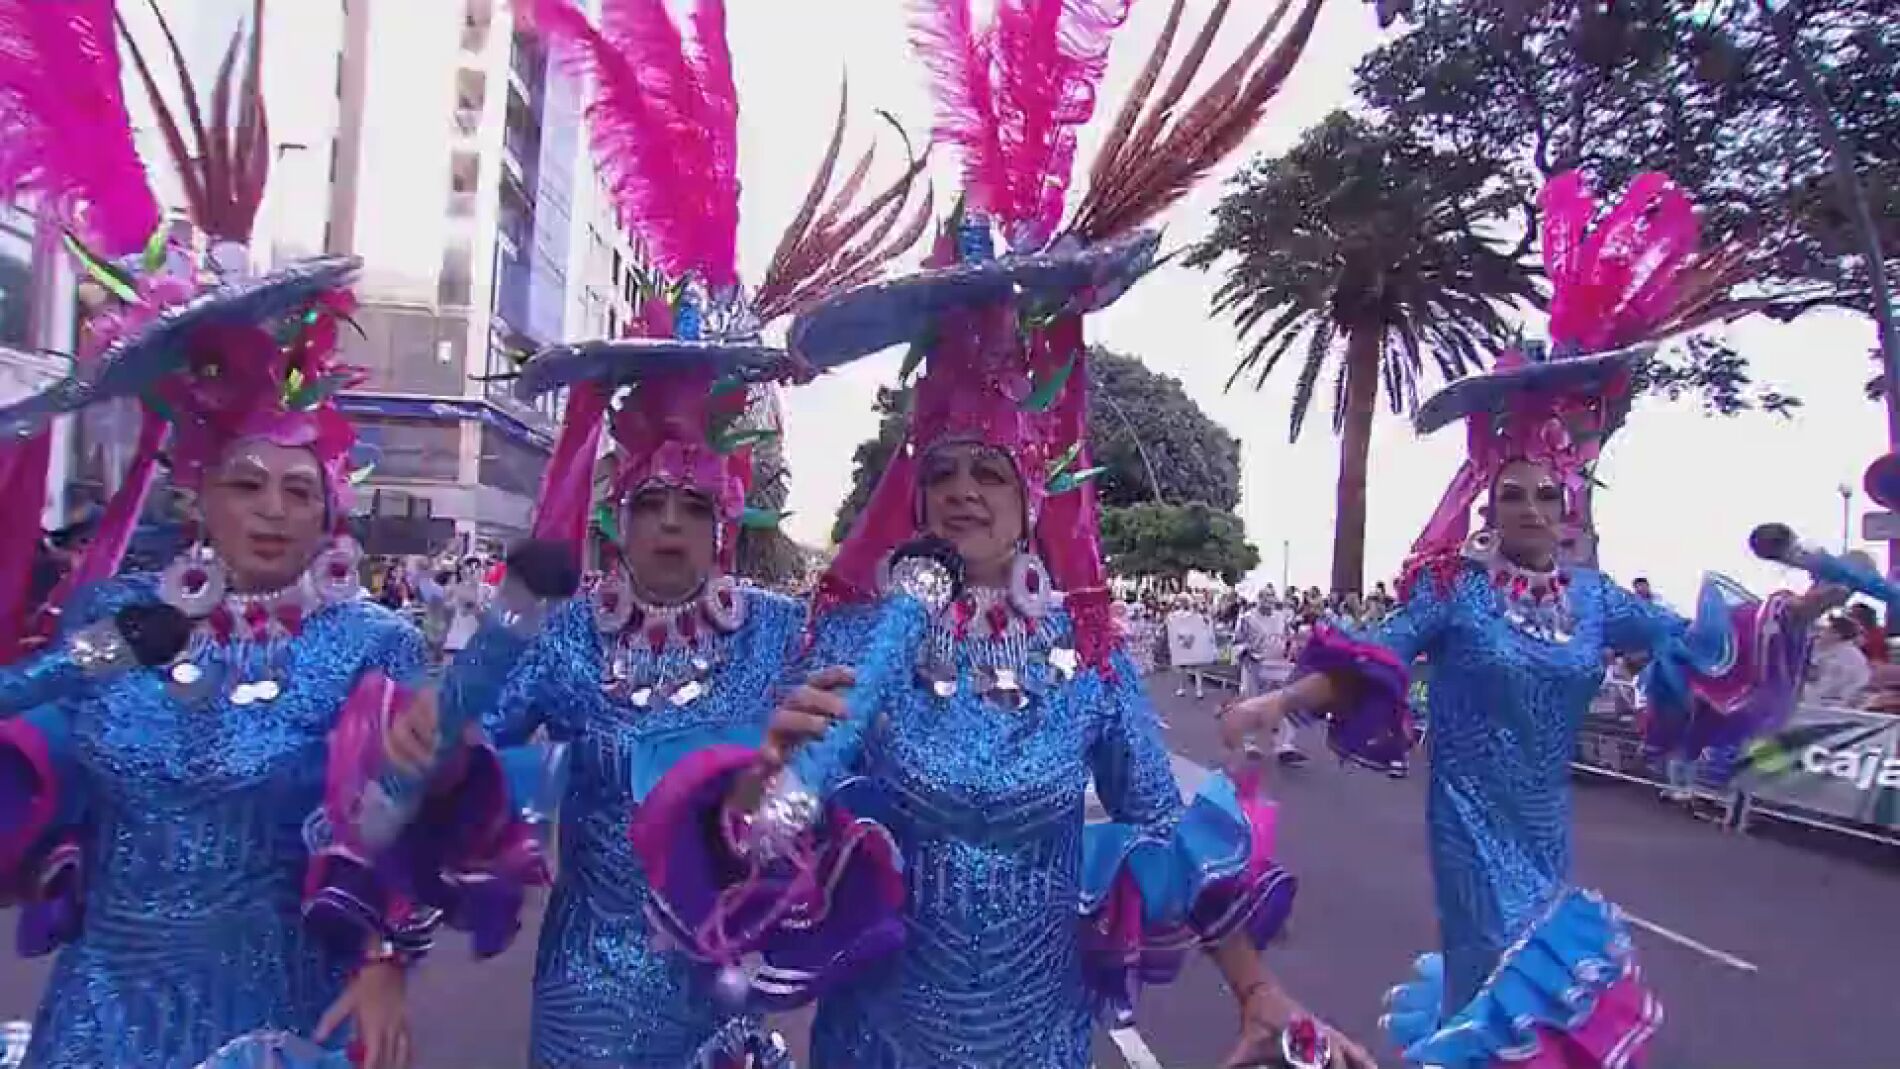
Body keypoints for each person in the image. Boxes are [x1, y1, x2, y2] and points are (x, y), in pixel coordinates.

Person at [626, 2, 1374, 1066]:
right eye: (945, 477)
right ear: (916, 499)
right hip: (880, 1039)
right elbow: (770, 829)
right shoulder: (862, 642)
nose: (966, 494)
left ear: (1034, 499)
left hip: (1043, 1038)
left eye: (991, 473)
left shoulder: (1090, 665)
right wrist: (765, 776)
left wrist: (1260, 992)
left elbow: (1164, 834)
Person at [0, 8, 542, 1065]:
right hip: (105, 1009)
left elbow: (411, 812)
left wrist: (386, 955)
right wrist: (109, 651)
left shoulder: (366, 644)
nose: (275, 509)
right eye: (247, 483)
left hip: (285, 1012)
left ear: (330, 510)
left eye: (302, 490)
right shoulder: (118, 623)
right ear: (196, 494)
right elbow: (30, 724)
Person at [1220, 172, 1846, 1069]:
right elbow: (1367, 663)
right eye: (1507, 493)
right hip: (1467, 821)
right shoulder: (1456, 593)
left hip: (1545, 825)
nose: (1524, 507)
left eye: (1541, 495)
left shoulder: (1599, 601)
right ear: (1490, 505)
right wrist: (1274, 703)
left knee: (1546, 995)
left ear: (1568, 506)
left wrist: (1796, 607)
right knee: (1504, 975)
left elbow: (1704, 645)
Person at [439, 3, 928, 1065]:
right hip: (586, 990)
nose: (668, 527)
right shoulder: (569, 634)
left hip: (723, 994)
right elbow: (459, 750)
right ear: (619, 511)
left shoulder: (776, 632)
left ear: (726, 515)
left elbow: (842, 761)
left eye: (693, 507)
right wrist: (493, 641)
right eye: (649, 504)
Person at [1234, 597, 1305, 765]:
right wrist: (1246, 655)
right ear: (1259, 601)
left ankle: (1284, 745)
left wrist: (1291, 651)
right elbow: (1237, 642)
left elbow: (1289, 638)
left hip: (1277, 667)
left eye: (1271, 600)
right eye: (1265, 600)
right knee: (1253, 704)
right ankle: (1251, 743)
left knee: (1282, 704)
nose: (1268, 604)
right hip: (1254, 667)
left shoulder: (1280, 618)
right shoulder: (1247, 619)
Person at [1808, 614, 1872, 705]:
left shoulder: (1851, 658)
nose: (1818, 633)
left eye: (1824, 630)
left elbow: (1829, 687)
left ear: (1837, 635)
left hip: (1834, 705)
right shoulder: (1814, 648)